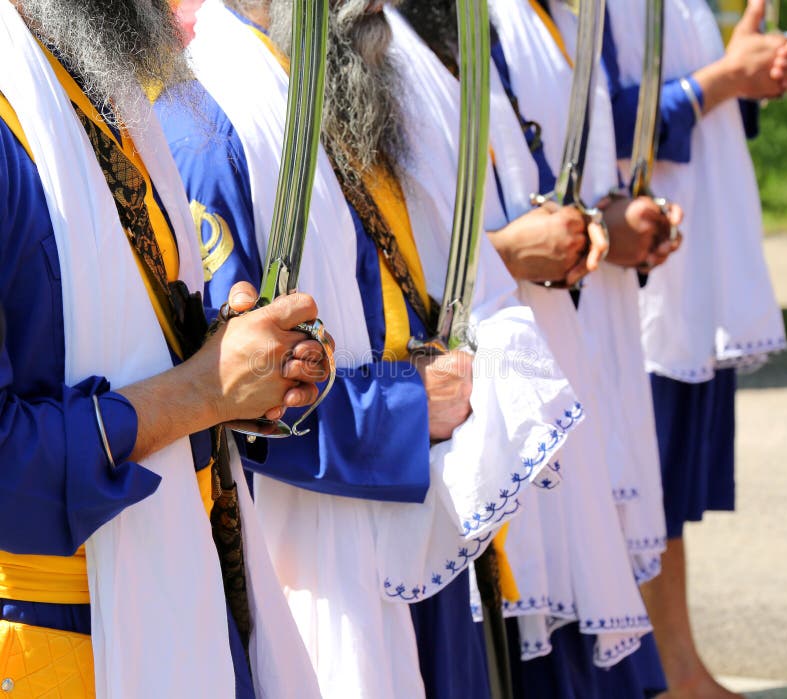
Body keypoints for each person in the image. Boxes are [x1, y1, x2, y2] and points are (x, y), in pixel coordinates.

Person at [160, 0, 587, 696]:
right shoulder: (208, 129)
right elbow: (223, 401)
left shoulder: (338, 85)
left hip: (423, 520)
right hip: (317, 569)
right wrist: (405, 409)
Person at [0, 0, 327, 695]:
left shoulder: (97, 84)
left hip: (195, 588)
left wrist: (247, 360)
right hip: (61, 643)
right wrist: (202, 390)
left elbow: (152, 341)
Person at [395, 0, 684, 695]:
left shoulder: (476, 21)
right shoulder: (379, 37)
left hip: (544, 372)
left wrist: (597, 225)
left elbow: (522, 179)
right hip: (451, 423)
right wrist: (507, 254)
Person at [604, 0, 787, 695]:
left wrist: (746, 74)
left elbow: (693, 93)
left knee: (665, 497)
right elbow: (596, 125)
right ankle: (656, 674)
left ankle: (677, 667)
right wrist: (721, 78)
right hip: (640, 282)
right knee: (630, 493)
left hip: (696, 270)